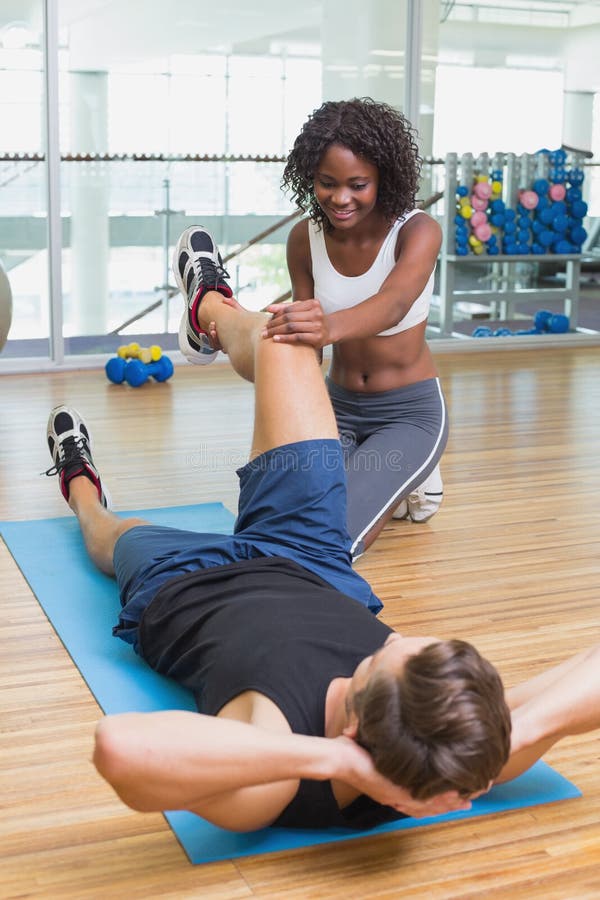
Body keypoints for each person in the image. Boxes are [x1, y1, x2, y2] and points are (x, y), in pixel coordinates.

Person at [45, 226, 599, 834]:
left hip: (187, 584)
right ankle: (208, 307)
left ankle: (79, 482)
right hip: (311, 558)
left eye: (392, 651)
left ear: (358, 730)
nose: (394, 637)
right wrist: (523, 733)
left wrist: (334, 759)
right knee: (287, 337)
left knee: (106, 535)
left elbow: (120, 749)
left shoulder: (274, 773)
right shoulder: (451, 744)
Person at [261, 97, 447, 557]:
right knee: (282, 515)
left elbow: (393, 304)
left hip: (408, 413)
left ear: (384, 177)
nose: (340, 199)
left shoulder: (417, 231)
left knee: (330, 537)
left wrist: (323, 326)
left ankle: (415, 476)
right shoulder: (305, 238)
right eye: (327, 183)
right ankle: (398, 481)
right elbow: (309, 345)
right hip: (336, 408)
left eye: (357, 185)